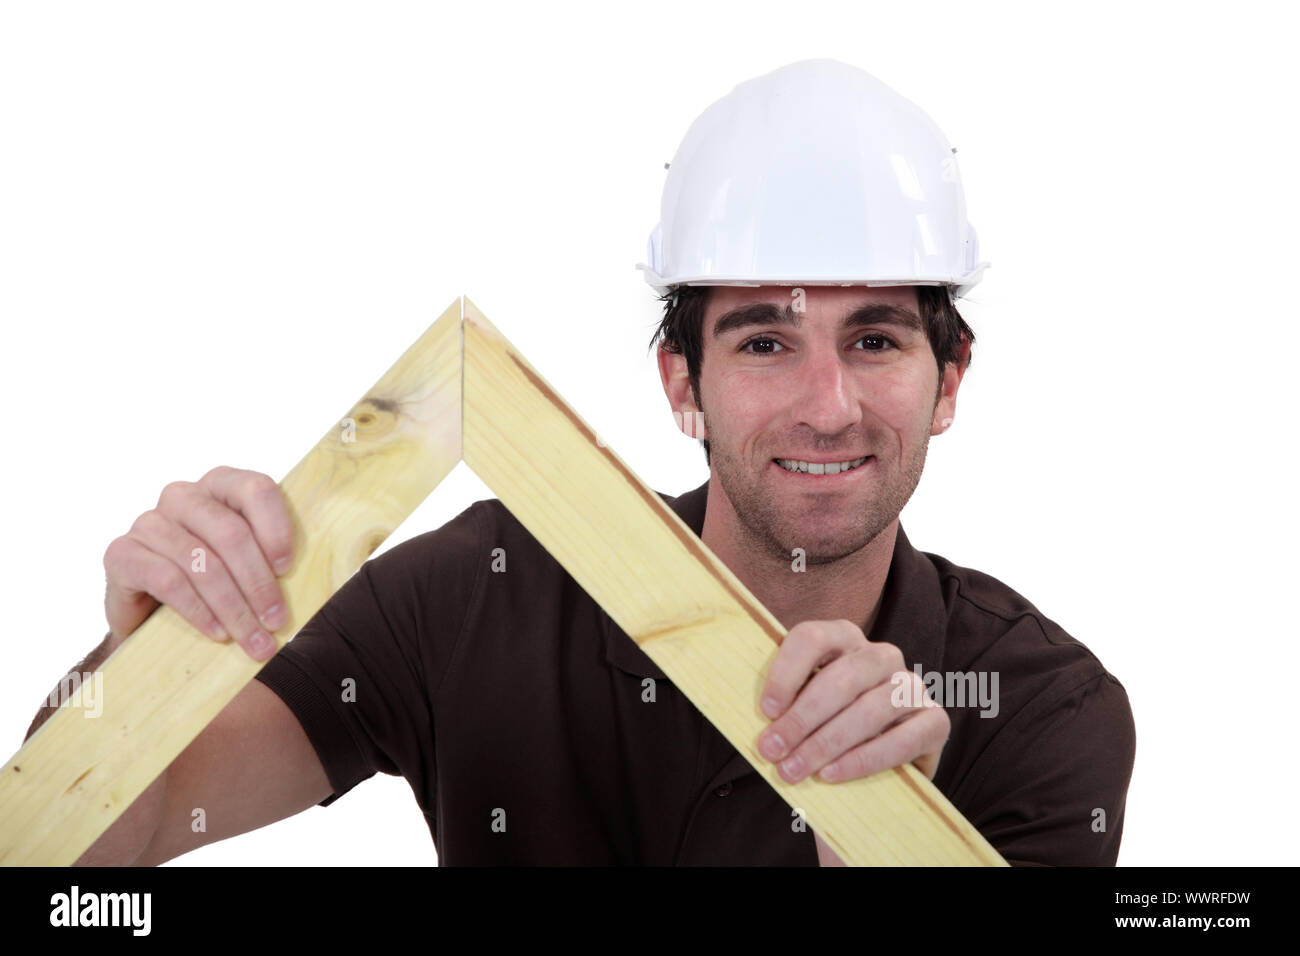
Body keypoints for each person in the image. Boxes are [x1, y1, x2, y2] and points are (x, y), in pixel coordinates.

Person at [25, 59, 1134, 866]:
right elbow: (96, 850)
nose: (827, 403)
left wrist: (880, 838)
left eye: (876, 339)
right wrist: (138, 672)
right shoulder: (475, 591)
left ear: (948, 379)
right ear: (679, 382)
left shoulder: (1044, 708)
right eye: (762, 341)